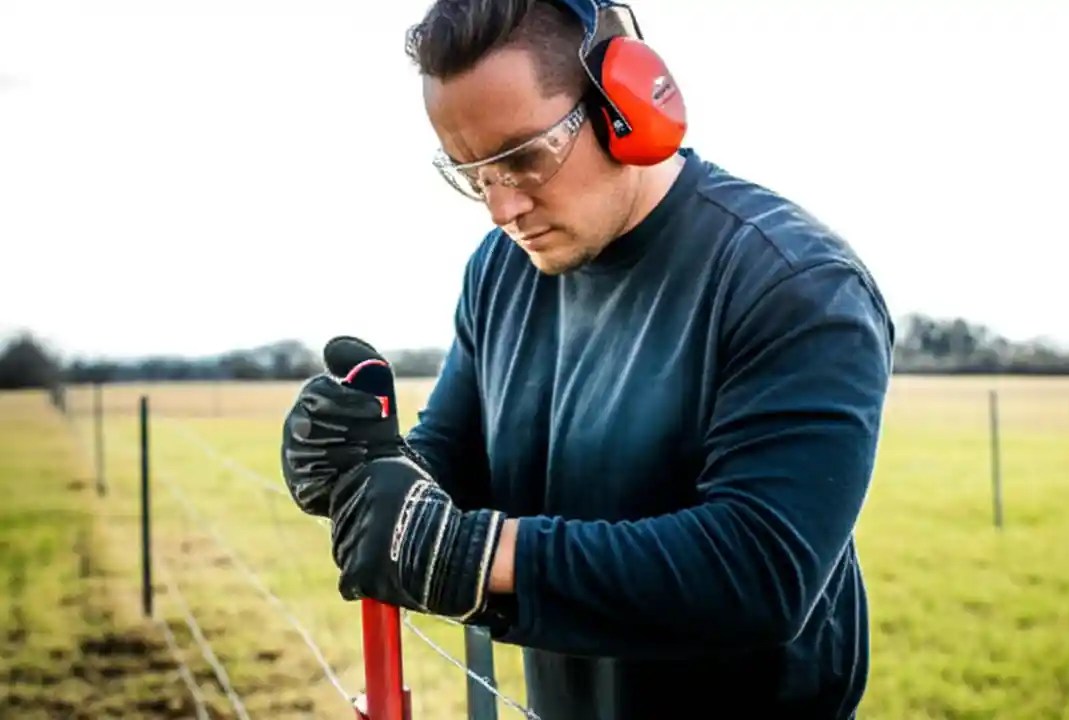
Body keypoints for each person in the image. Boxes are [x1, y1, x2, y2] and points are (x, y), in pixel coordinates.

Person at [280, 0, 896, 717]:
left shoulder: (792, 283)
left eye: (522, 158)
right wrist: (367, 471)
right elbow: (453, 471)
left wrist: (472, 557)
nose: (502, 209)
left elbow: (759, 572)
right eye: (472, 173)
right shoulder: (500, 272)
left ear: (624, 103)